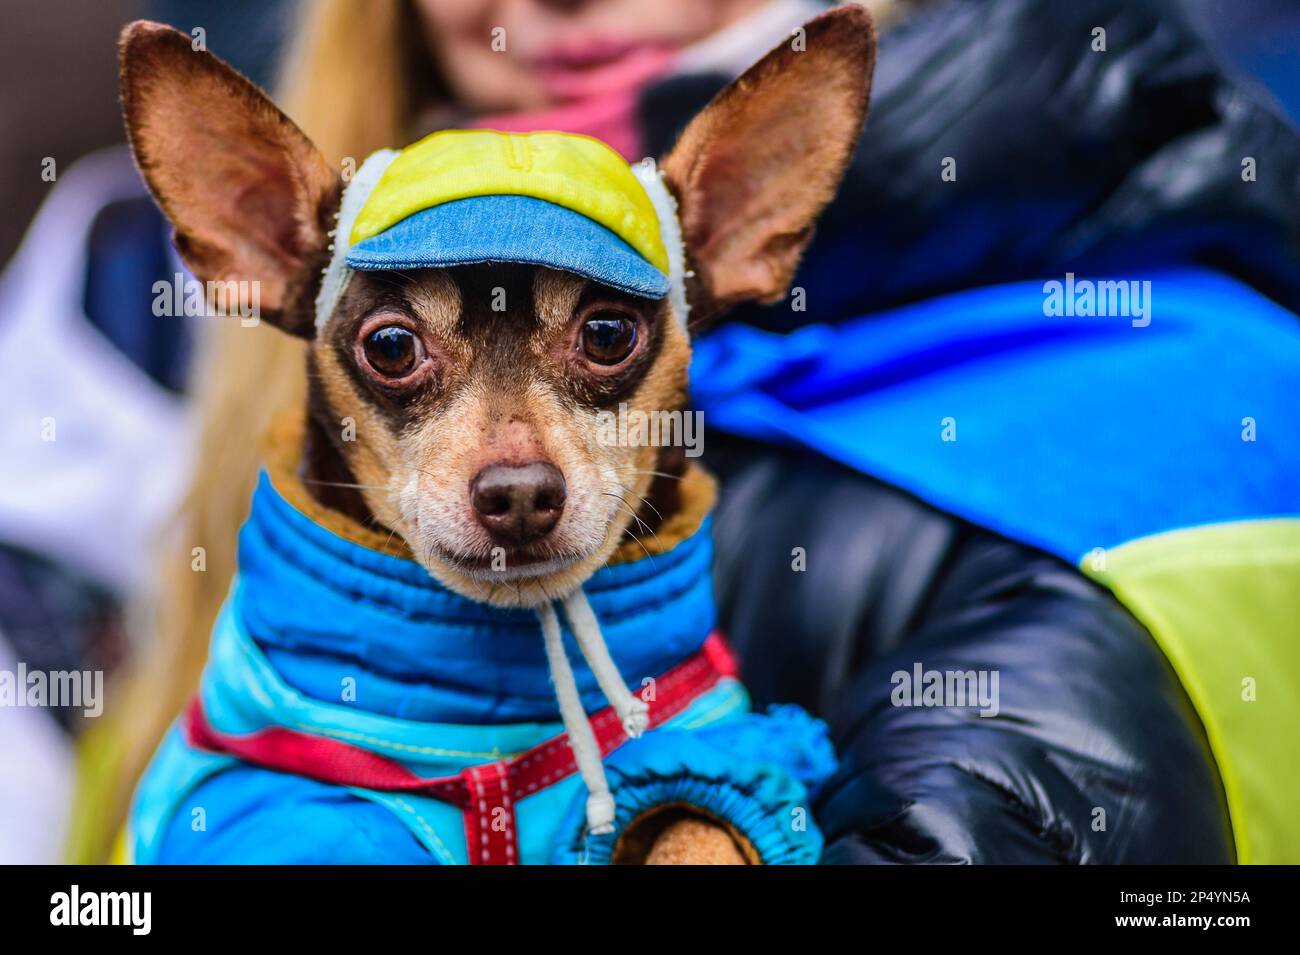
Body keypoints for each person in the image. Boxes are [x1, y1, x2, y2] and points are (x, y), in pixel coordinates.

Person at [89, 0, 1300, 863]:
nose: (513, 466)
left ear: (747, 224)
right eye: (400, 353)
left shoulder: (1171, 375)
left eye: (604, 336)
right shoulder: (114, 316)